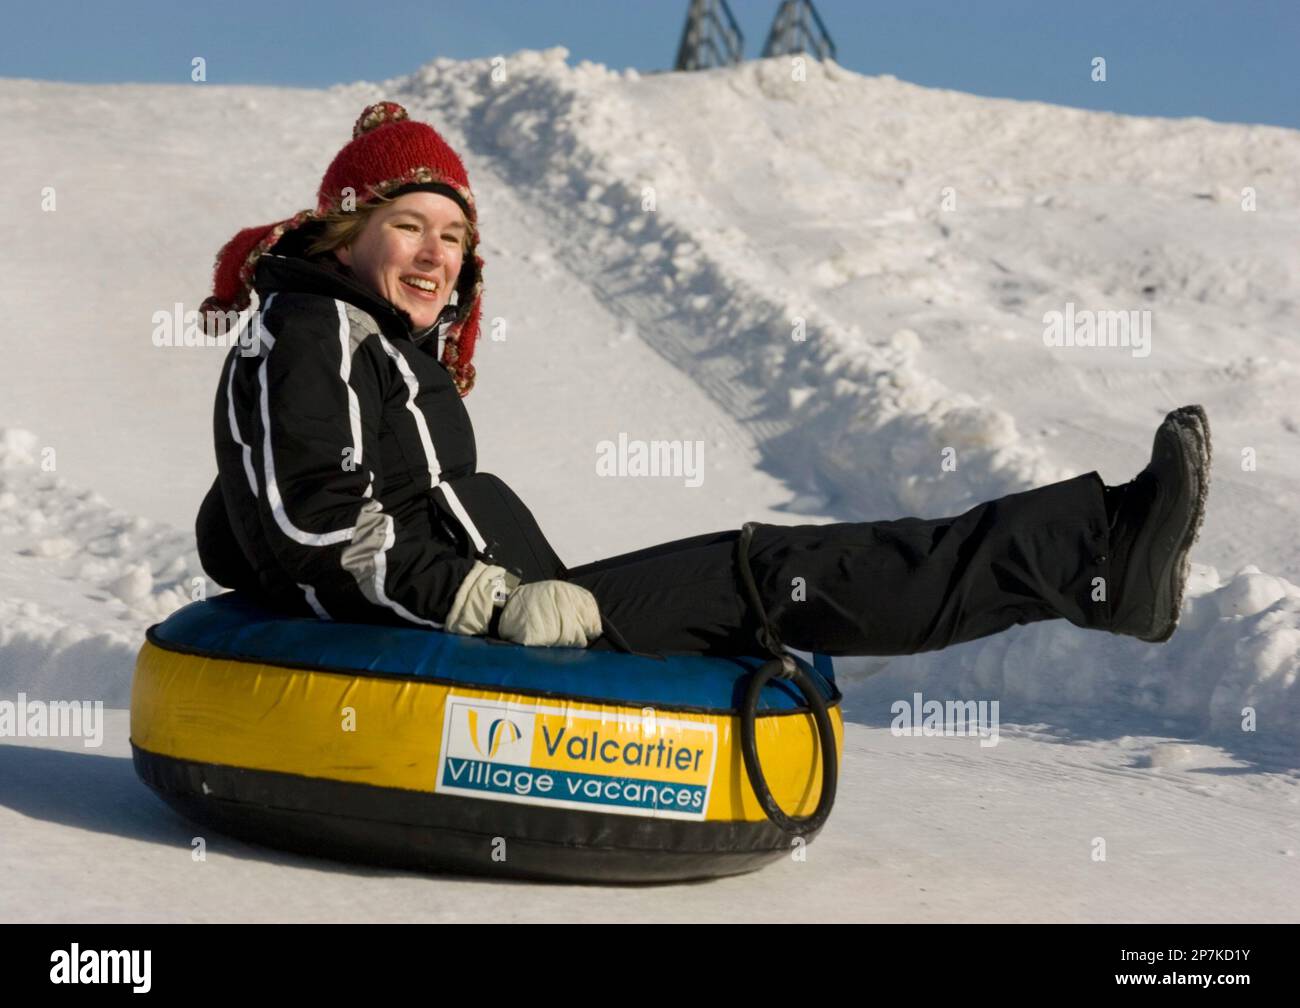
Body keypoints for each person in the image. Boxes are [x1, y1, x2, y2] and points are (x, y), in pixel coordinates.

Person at [195, 102, 1212, 662]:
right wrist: (486, 598)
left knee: (771, 584)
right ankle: (1092, 555)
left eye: (453, 234)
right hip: (475, 627)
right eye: (406, 225)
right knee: (767, 574)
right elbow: (319, 524)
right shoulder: (310, 321)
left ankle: (1095, 556)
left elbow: (284, 497)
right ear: (344, 229)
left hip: (503, 609)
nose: (435, 254)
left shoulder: (359, 336)